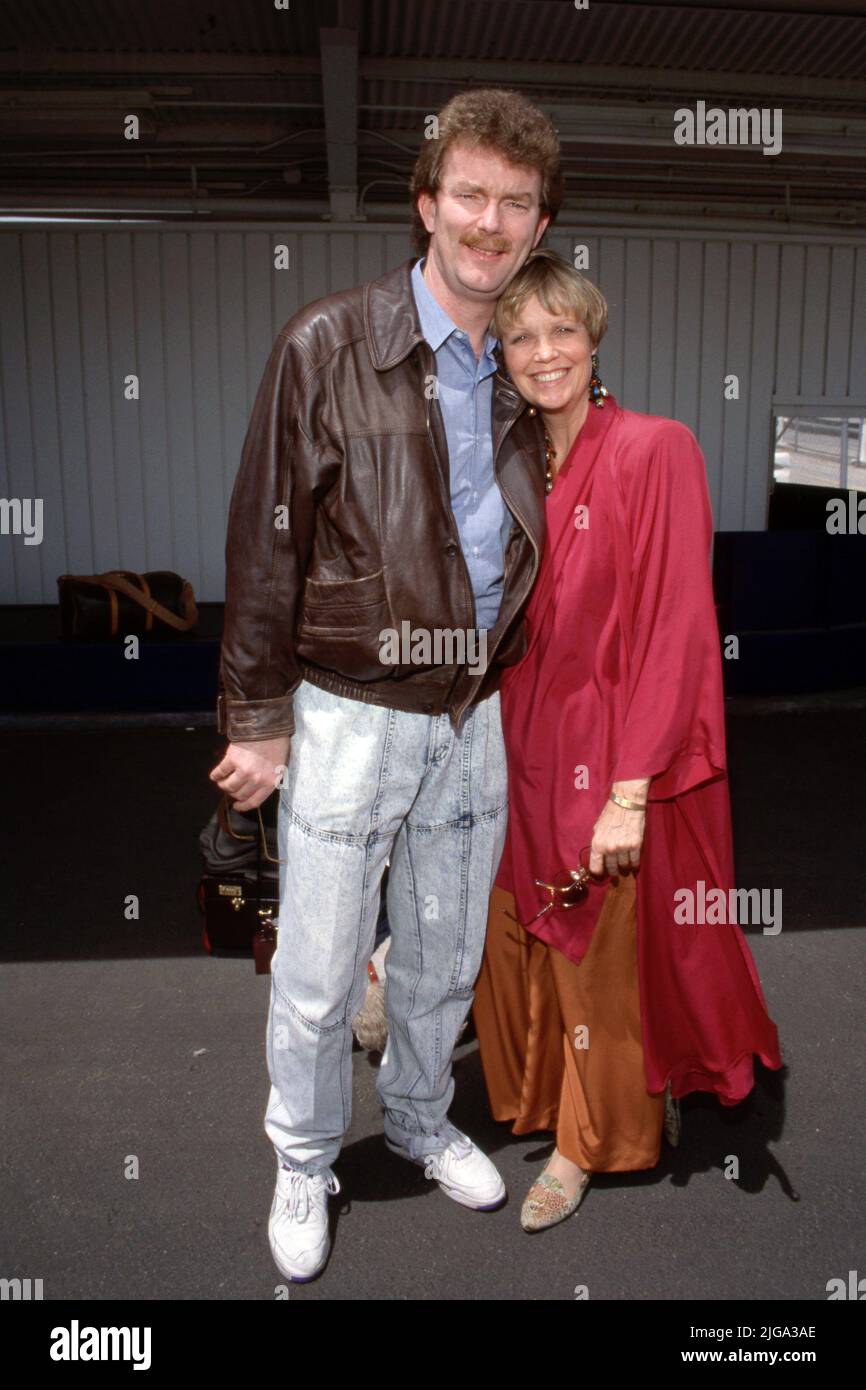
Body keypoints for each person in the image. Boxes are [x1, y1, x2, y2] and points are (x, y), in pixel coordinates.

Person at [208, 88, 562, 1282]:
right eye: (469, 194)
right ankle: (302, 1157)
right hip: (350, 711)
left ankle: (414, 1117)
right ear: (425, 204)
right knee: (315, 976)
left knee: (443, 959)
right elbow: (265, 542)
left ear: (535, 220)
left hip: (473, 715)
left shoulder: (524, 373)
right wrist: (255, 720)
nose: (489, 220)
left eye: (515, 203)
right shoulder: (327, 344)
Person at [471, 248, 784, 1233]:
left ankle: (586, 1143)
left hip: (610, 745)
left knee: (597, 948)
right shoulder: (512, 461)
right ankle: (538, 1098)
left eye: (560, 329)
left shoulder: (657, 448)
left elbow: (677, 628)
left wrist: (630, 786)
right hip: (515, 740)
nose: (542, 351)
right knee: (517, 926)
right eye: (519, 336)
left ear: (593, 335)